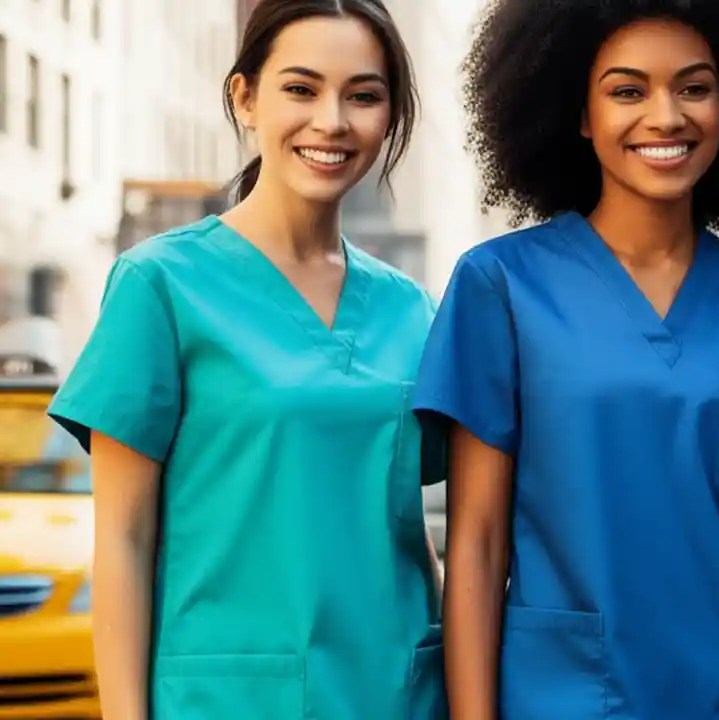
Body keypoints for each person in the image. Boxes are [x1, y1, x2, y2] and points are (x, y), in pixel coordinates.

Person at [414, 1, 719, 718]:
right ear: (580, 114)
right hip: (570, 692)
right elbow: (478, 540)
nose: (666, 115)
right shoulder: (500, 287)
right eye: (627, 90)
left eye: (694, 87)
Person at [47, 1, 445, 717]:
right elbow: (123, 541)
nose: (333, 120)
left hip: (394, 693)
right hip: (221, 697)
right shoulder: (160, 285)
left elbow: (412, 533)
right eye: (301, 88)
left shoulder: (410, 309)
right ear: (245, 97)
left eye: (363, 95)